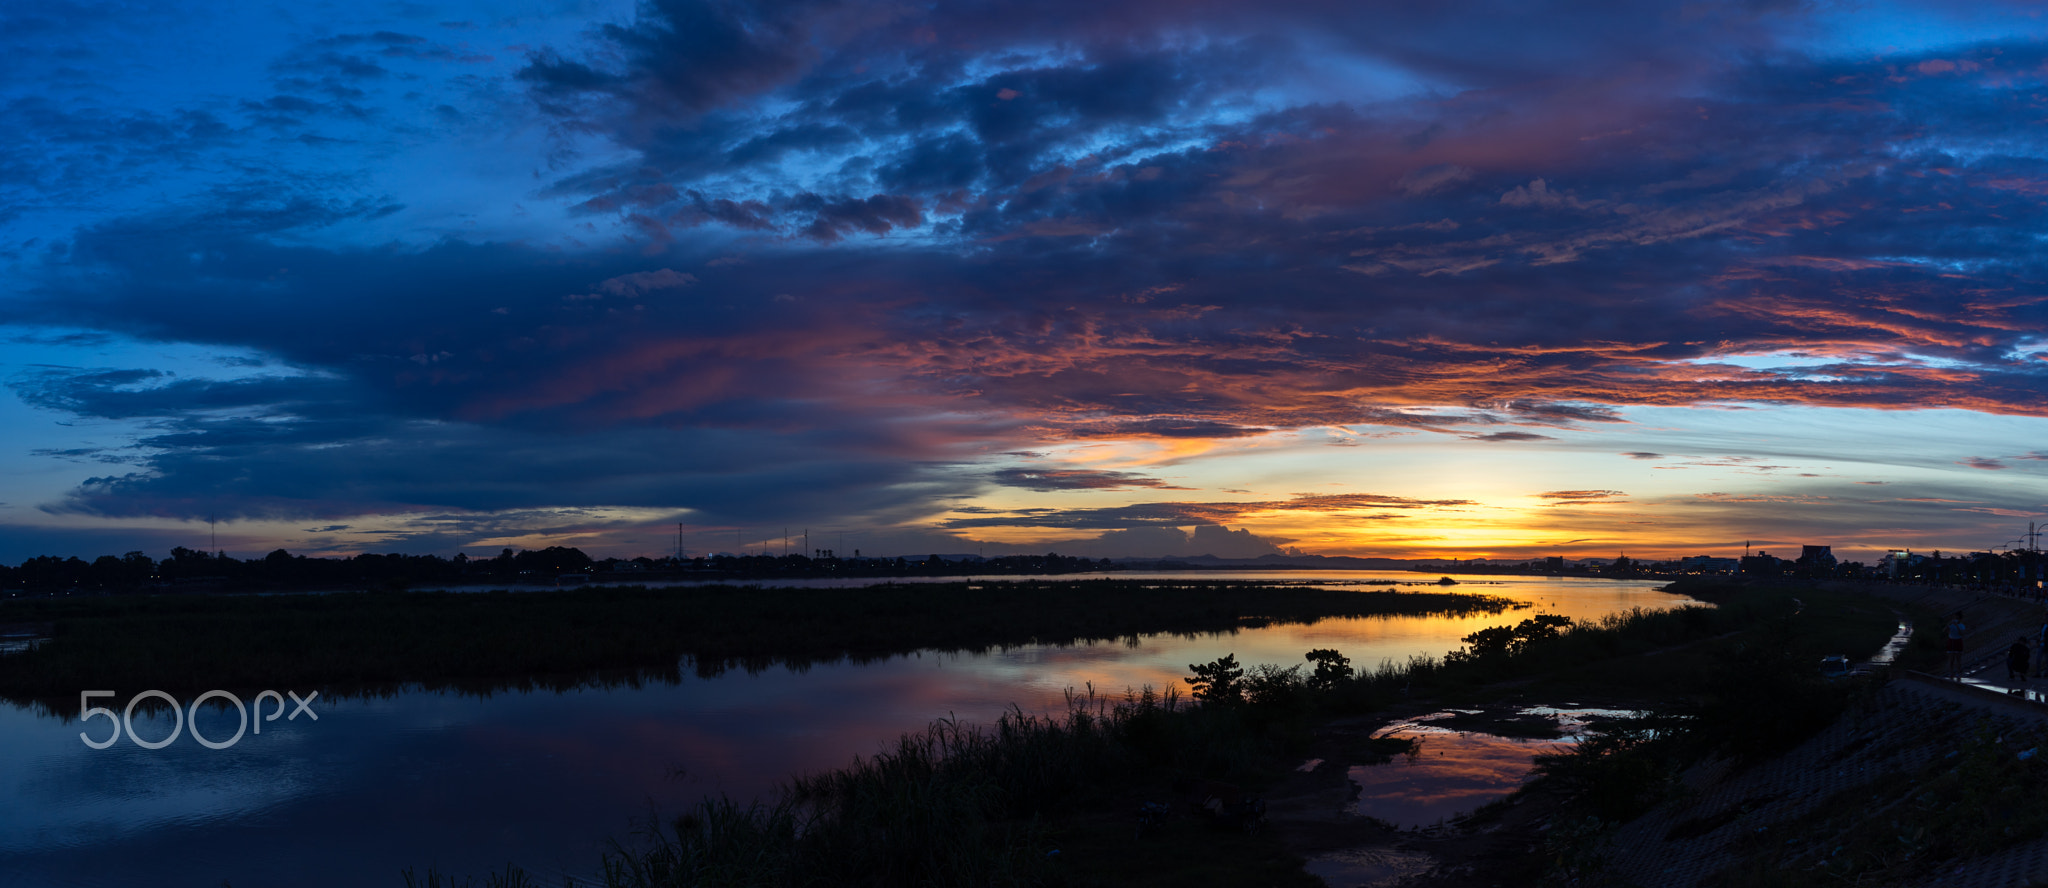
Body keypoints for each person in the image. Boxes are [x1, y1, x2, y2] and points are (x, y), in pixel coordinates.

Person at [1946, 612, 1968, 679]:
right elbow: (1944, 630)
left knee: (1958, 659)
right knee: (1951, 659)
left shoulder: (1962, 625)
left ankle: (1959, 673)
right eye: (1955, 617)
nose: (1955, 619)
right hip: (1951, 641)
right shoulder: (1951, 625)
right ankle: (1951, 673)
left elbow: (1962, 633)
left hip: (1958, 641)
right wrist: (1948, 625)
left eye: (1957, 617)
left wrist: (1957, 626)